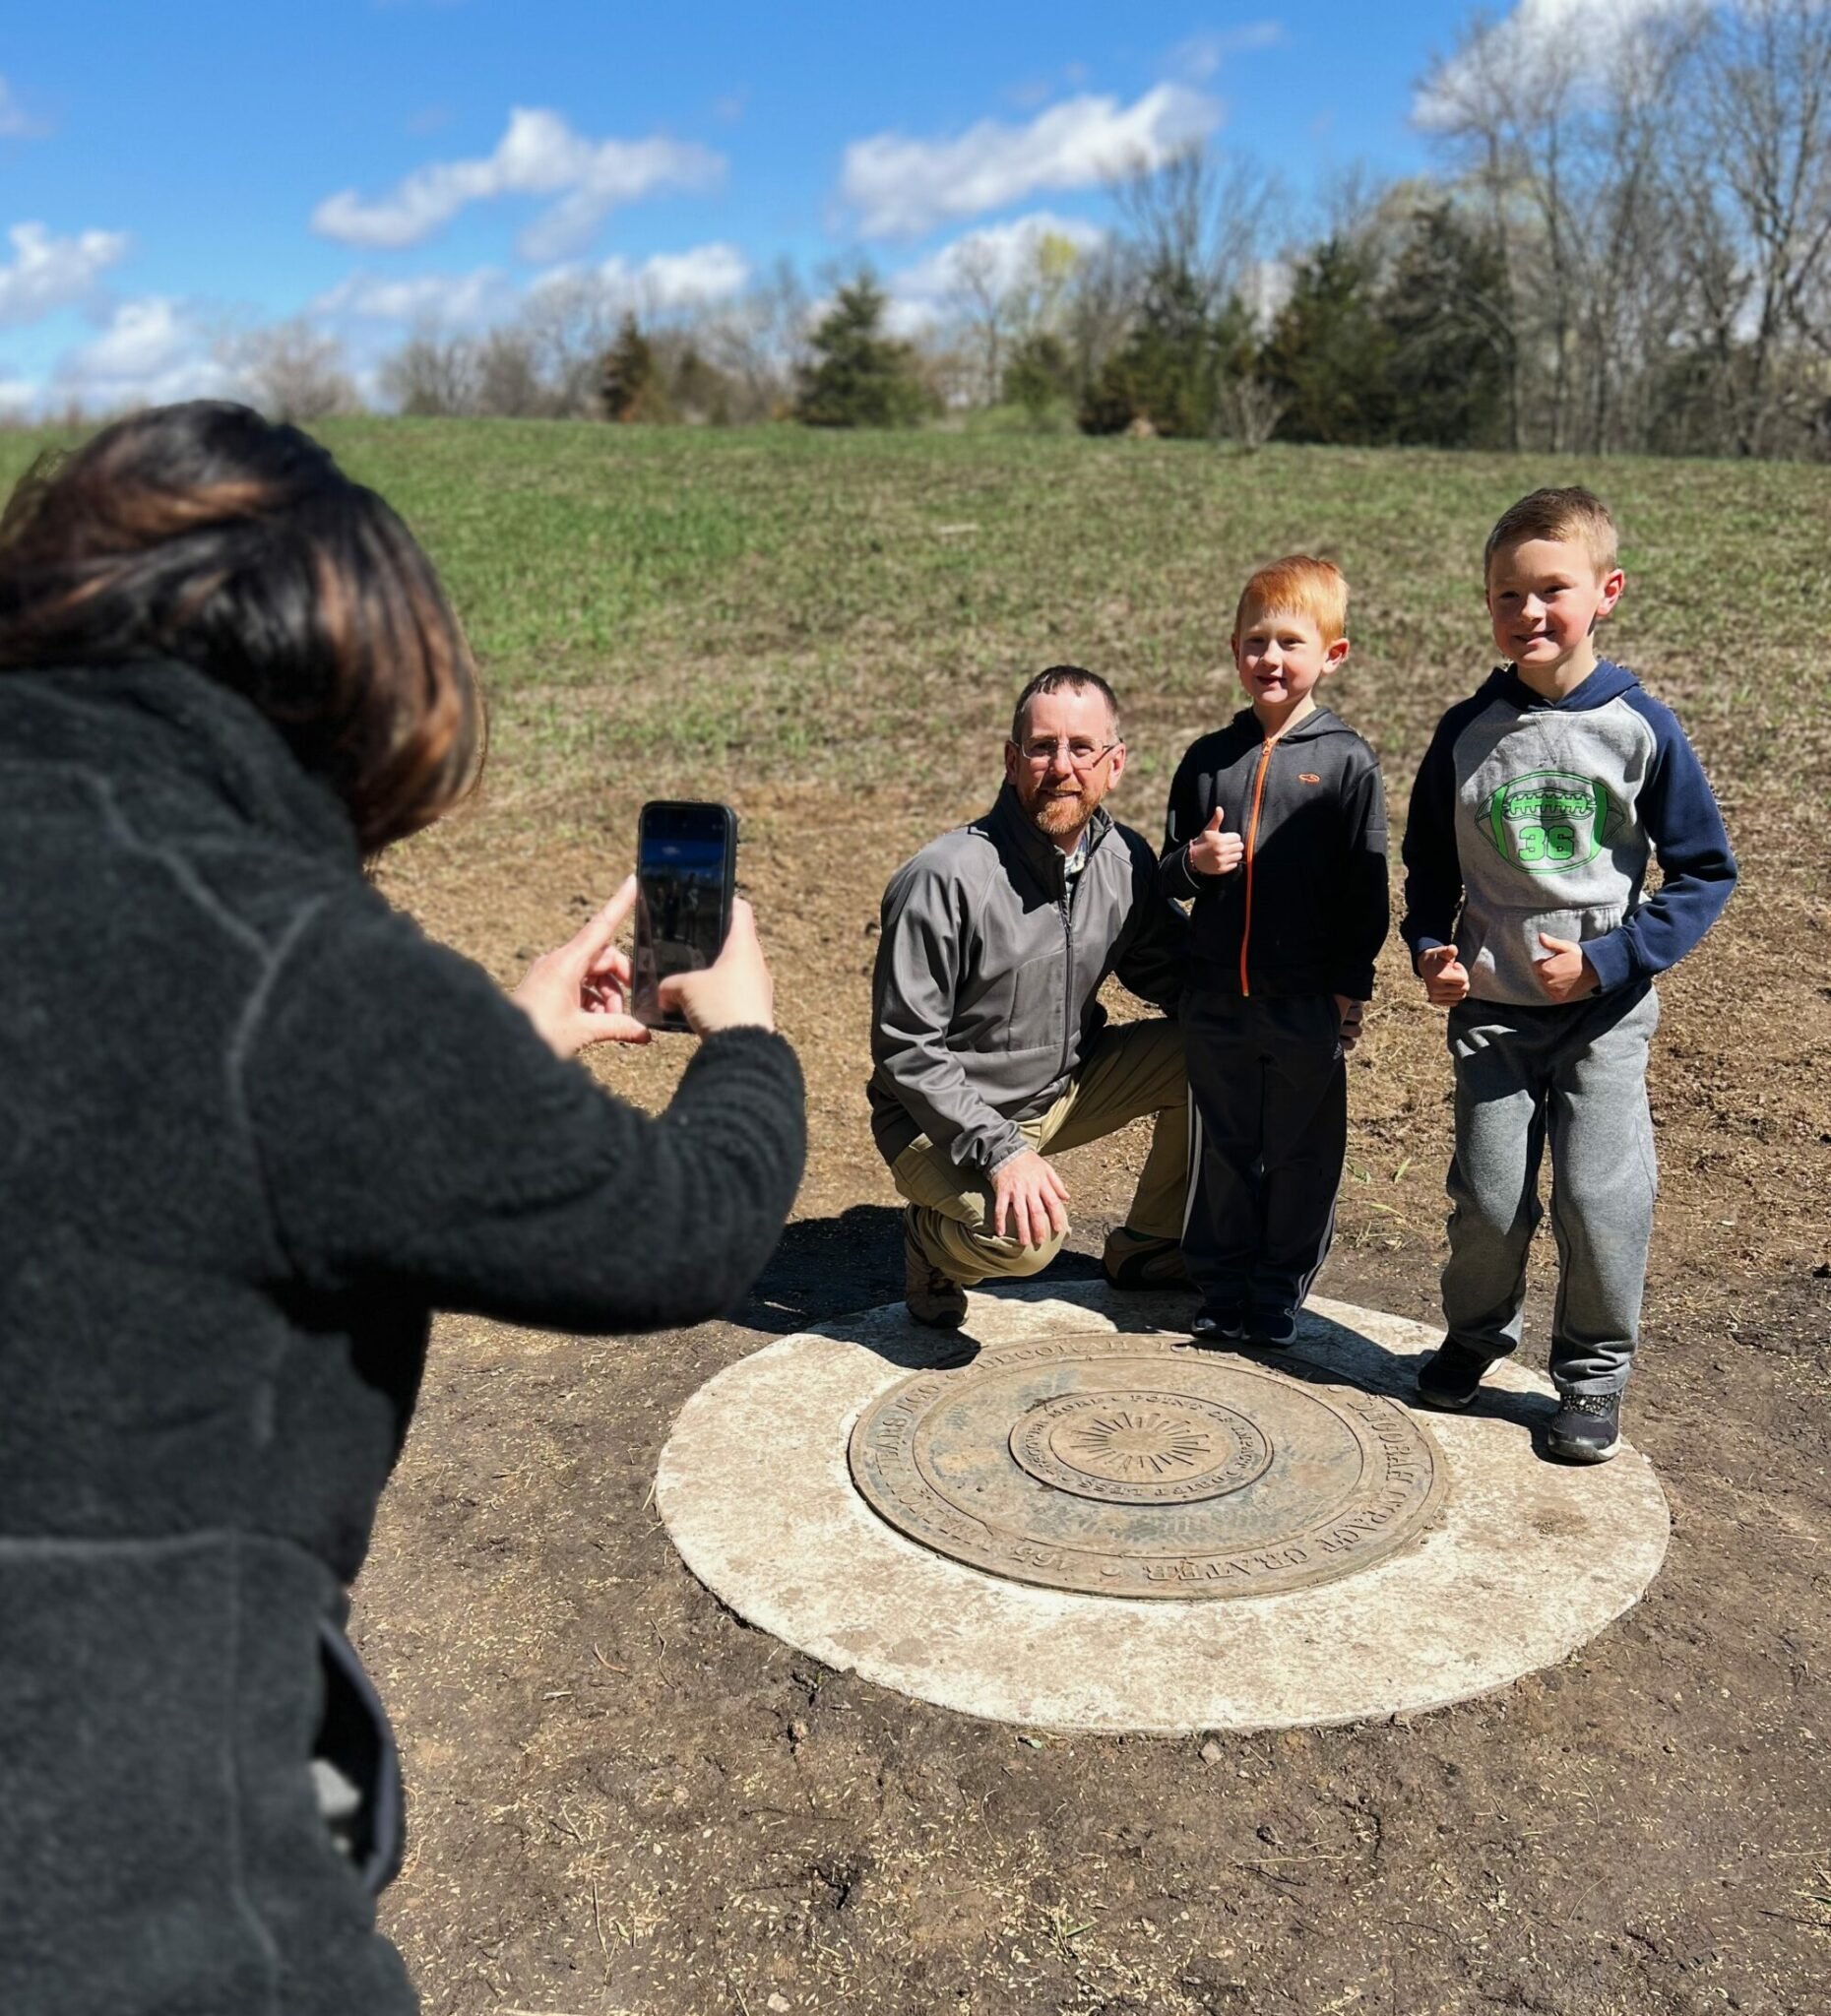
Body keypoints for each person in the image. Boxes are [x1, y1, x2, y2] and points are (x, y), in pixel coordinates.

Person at [0, 402, 805, 2016]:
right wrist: (749, 1036)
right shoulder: (296, 965)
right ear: (351, 694)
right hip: (130, 1907)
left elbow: (132, 1133)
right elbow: (675, 1228)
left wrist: (492, 1044)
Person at [1401, 485, 1736, 1462]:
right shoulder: (1467, 730)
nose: (1529, 612)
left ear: (1607, 592)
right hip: (1495, 1019)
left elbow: (1706, 870)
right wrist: (1432, 946)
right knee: (1491, 1201)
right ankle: (1473, 1338)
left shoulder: (1641, 726)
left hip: (1604, 1013)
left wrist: (1607, 958)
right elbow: (1429, 867)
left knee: (1600, 1198)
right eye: (1508, 594)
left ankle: (1591, 1375)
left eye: (1553, 589)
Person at [869, 665, 1190, 1328]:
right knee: (1026, 1241)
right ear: (1012, 760)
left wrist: (1286, 1019)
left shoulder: (1123, 861)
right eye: (1042, 748)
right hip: (936, 1123)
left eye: (1082, 748)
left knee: (1214, 1054)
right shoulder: (945, 877)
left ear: (1116, 763)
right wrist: (1002, 1151)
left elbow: (1180, 975)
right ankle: (931, 1244)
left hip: (1062, 1089)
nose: (1061, 767)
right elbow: (907, 1050)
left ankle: (1152, 1251)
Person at [1157, 556, 1388, 1349]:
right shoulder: (1207, 758)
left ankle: (1279, 1290)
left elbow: (1368, 890)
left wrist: (1349, 987)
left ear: (1333, 654)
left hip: (1304, 1002)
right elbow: (1165, 873)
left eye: (1291, 641)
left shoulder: (1349, 763)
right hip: (1217, 998)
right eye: (1257, 641)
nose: (1271, 658)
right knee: (1226, 1147)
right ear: (1234, 650)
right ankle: (1221, 1288)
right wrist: (1193, 862)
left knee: (1300, 1151)